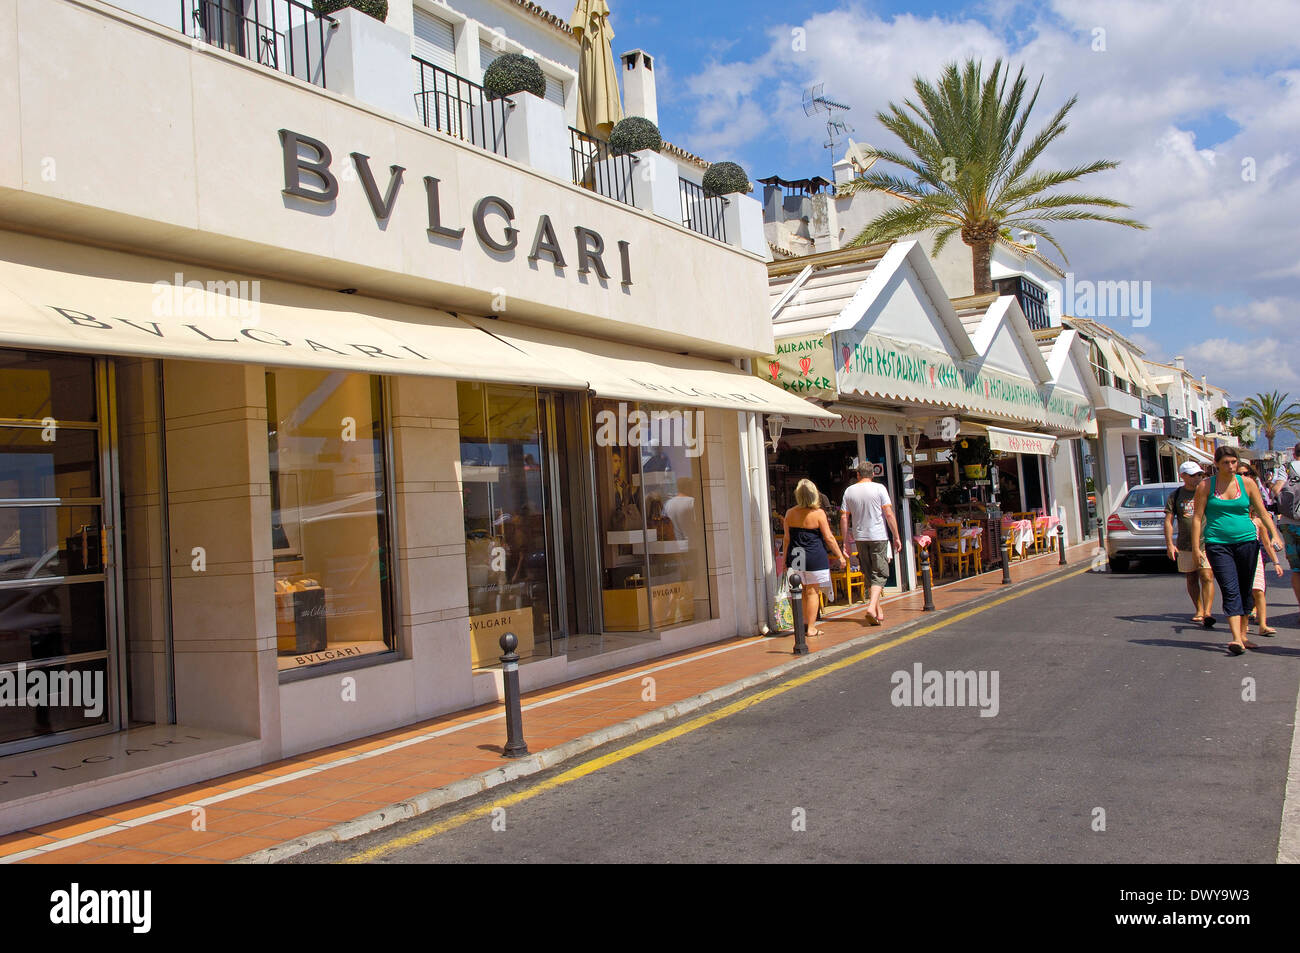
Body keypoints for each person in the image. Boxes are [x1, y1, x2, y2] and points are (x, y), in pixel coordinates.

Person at [1192, 446, 1284, 655]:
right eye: (1225, 462)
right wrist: (1197, 547)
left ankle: (1243, 635)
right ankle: (1235, 639)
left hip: (1247, 543)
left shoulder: (1248, 483)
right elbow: (1197, 518)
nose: (1231, 466)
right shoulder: (1206, 486)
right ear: (1216, 464)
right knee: (1230, 588)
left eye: (1234, 462)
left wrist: (1274, 534)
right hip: (1218, 544)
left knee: (1245, 589)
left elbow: (1262, 510)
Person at [783, 478, 847, 638]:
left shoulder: (790, 513)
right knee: (812, 592)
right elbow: (829, 538)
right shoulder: (818, 513)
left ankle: (804, 622)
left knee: (801, 591)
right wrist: (840, 556)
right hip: (814, 554)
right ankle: (811, 627)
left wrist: (785, 560)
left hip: (797, 554)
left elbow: (786, 539)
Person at [840, 461, 902, 626]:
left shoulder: (849, 491)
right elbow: (888, 514)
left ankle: (876, 610)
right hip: (878, 536)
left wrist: (845, 540)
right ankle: (870, 607)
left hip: (860, 537)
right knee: (880, 573)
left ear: (858, 475)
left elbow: (844, 517)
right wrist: (896, 536)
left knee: (868, 573)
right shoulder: (879, 488)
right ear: (873, 474)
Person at [1164, 461, 1215, 626]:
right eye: (1193, 475)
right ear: (1183, 476)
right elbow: (1169, 520)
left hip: (1206, 542)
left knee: (1207, 576)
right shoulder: (1176, 495)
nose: (1197, 478)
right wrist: (1170, 544)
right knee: (1191, 577)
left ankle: (1207, 612)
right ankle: (1199, 608)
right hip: (1185, 543)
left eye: (1200, 475)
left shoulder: (1206, 492)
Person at [1270, 443, 1300, 623]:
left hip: (1288, 524)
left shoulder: (1286, 468)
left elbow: (1276, 490)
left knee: (1297, 570)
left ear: (1294, 454)